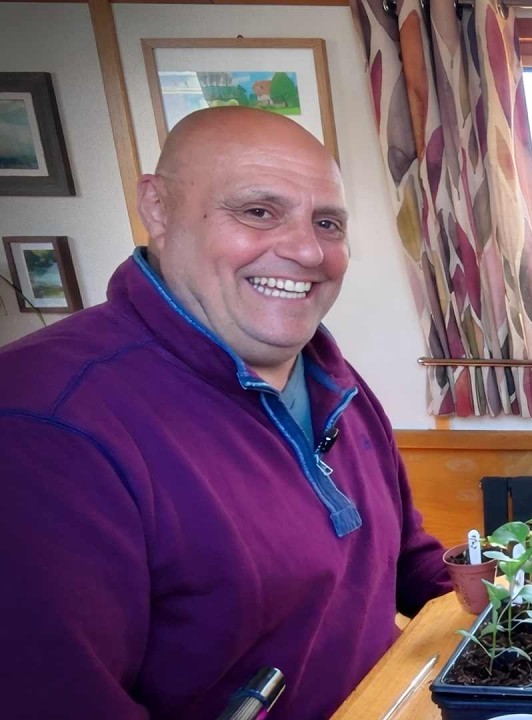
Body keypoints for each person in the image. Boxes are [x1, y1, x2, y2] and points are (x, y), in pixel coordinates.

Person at [0, 107, 451, 718]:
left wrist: (531, 603)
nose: (306, 250)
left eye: (328, 223)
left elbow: (406, 563)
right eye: (258, 212)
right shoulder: (45, 420)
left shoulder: (331, 377)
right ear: (158, 209)